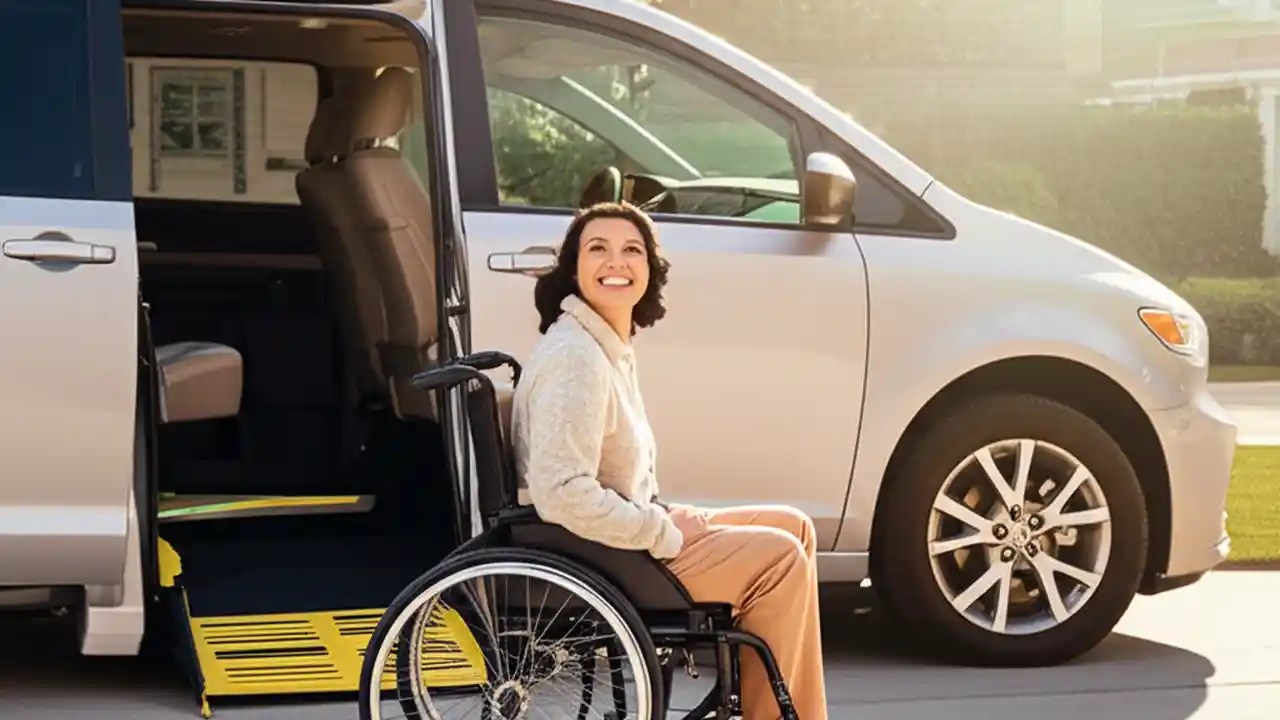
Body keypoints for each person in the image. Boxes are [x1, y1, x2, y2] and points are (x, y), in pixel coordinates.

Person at [509, 201, 828, 720]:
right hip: (601, 552)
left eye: (631, 250)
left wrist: (666, 516)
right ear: (573, 269)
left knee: (796, 527)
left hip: (622, 532)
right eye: (598, 249)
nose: (616, 262)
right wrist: (662, 531)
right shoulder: (576, 360)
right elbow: (561, 491)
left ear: (649, 271)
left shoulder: (602, 345)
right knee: (779, 557)